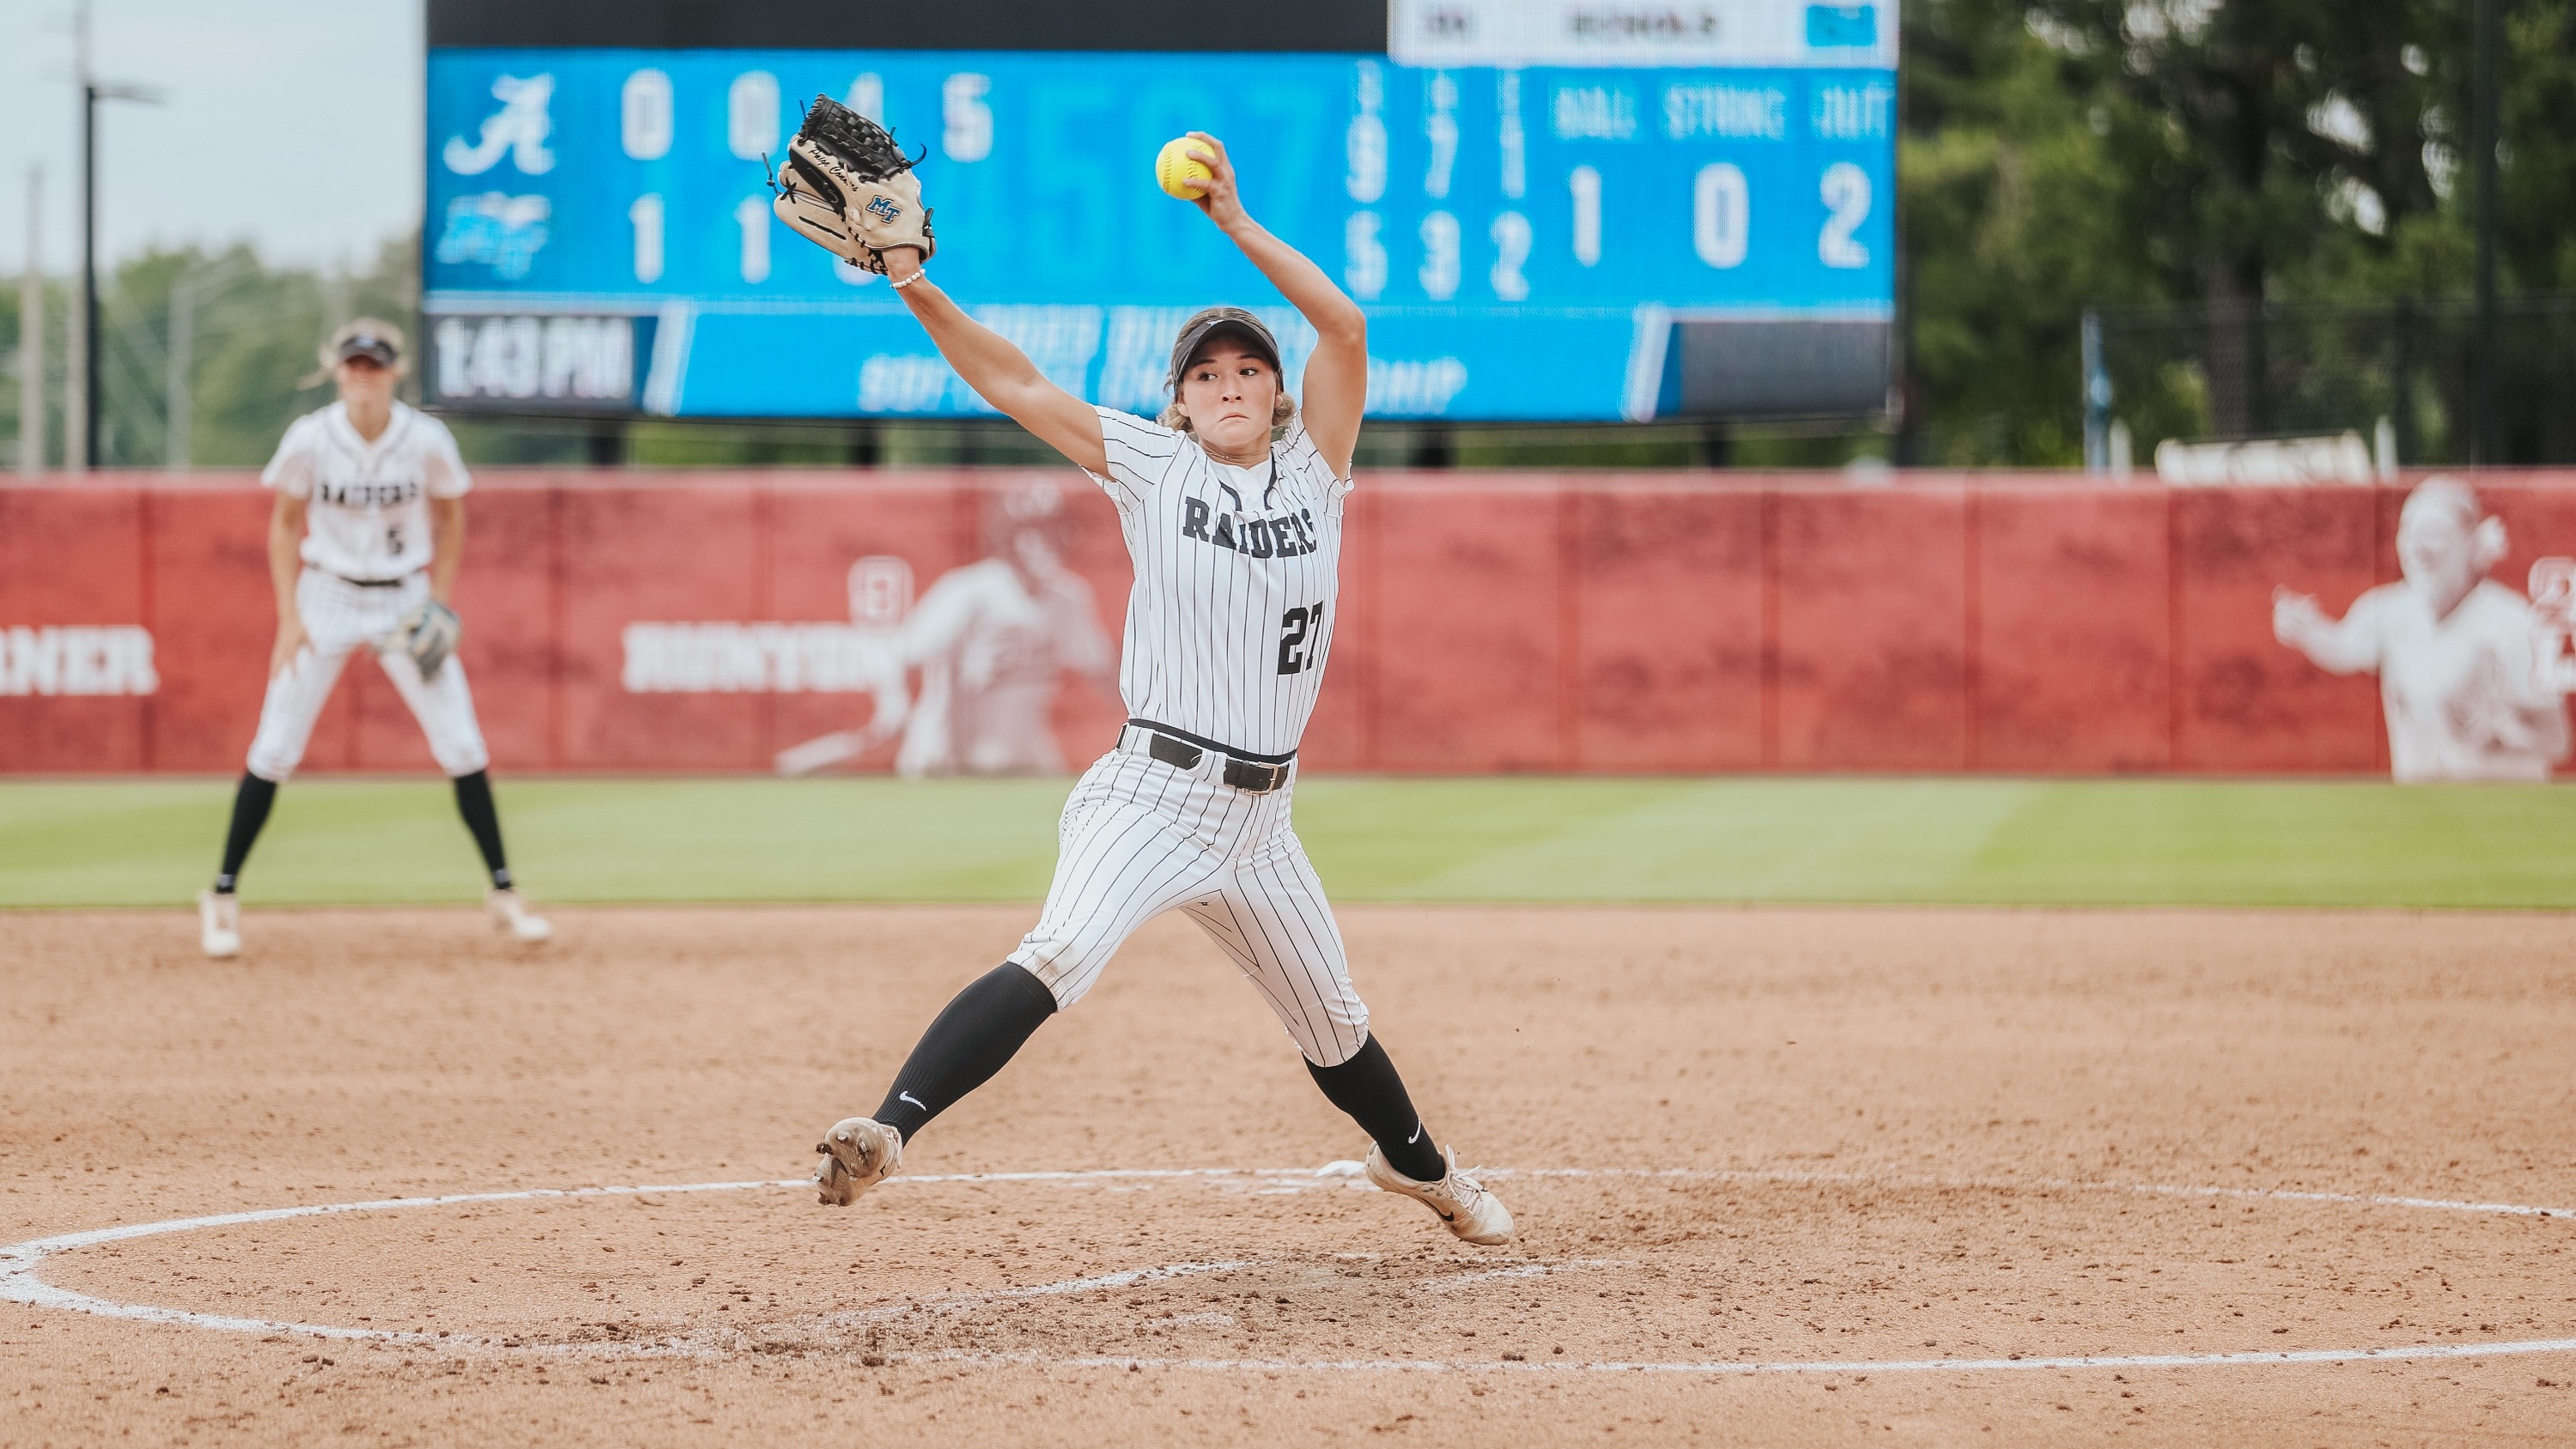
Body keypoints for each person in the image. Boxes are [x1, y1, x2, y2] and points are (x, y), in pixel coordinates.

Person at [796, 132, 1512, 1244]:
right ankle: (887, 1131)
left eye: (1247, 371)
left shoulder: (1318, 472)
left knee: (1333, 1025)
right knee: (1061, 952)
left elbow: (1347, 328)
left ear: (1277, 395)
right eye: (1206, 375)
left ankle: (1425, 1170)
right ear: (1177, 402)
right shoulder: (1151, 463)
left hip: (1263, 821)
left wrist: (1232, 221)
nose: (1228, 385)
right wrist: (913, 281)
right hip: (1149, 794)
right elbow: (1011, 378)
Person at [195, 320, 550, 957]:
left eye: (374, 365)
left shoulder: (425, 439)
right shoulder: (310, 438)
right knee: (275, 747)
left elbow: (450, 516)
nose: (363, 375)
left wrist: (438, 598)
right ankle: (221, 896)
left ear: (394, 372)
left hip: (401, 597)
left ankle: (504, 892)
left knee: (462, 744)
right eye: (353, 365)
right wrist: (289, 617)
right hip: (326, 593)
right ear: (337, 371)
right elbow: (282, 528)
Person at [2274, 476, 2570, 781]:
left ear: (2470, 543)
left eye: (2434, 532)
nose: (2418, 545)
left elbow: (2557, 741)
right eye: (2409, 530)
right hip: (2420, 816)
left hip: (2499, 812)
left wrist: (2501, 722)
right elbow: (2342, 647)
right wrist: (2306, 629)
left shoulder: (2512, 621)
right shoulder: (2386, 611)